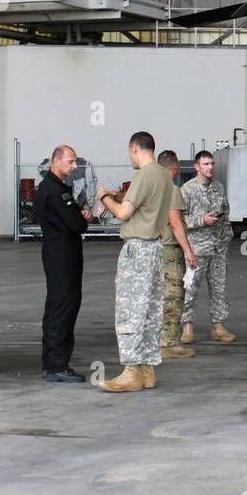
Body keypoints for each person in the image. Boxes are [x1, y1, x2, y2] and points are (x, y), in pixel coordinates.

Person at [95, 131, 173, 393]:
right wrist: (118, 196)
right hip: (155, 249)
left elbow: (125, 213)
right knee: (151, 312)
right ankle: (147, 370)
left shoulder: (144, 174)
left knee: (130, 312)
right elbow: (145, 206)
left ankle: (131, 371)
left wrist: (105, 197)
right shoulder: (163, 175)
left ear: (134, 149)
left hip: (137, 249)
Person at [34, 145, 92, 383]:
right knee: (63, 307)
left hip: (59, 253)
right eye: (70, 161)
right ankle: (57, 365)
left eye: (75, 161)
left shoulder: (57, 187)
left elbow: (76, 217)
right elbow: (77, 225)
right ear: (56, 162)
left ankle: (51, 362)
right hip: (62, 256)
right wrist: (82, 218)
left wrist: (80, 215)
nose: (74, 166)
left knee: (57, 306)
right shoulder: (54, 191)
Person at [179, 150, 236, 344]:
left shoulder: (219, 187)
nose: (210, 167)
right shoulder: (187, 190)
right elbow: (178, 220)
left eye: (212, 163)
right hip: (197, 248)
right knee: (190, 289)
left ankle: (218, 326)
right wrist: (201, 220)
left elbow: (225, 212)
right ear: (197, 167)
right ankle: (187, 327)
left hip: (218, 246)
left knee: (219, 288)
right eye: (206, 164)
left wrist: (227, 235)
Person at [156, 149, 199, 360]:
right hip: (171, 251)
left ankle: (158, 339)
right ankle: (168, 343)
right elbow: (175, 223)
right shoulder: (171, 191)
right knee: (174, 295)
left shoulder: (151, 188)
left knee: (159, 295)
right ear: (175, 168)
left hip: (155, 248)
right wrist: (189, 251)